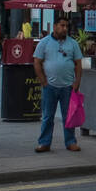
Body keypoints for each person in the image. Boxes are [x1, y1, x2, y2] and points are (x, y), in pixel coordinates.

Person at [33, 15, 83, 152]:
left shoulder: (73, 43)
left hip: (67, 87)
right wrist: (43, 81)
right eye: (62, 25)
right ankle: (44, 142)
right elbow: (37, 62)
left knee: (69, 116)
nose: (65, 28)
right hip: (50, 87)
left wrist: (77, 82)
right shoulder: (44, 42)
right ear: (55, 26)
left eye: (66, 26)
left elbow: (78, 64)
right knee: (48, 116)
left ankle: (70, 141)